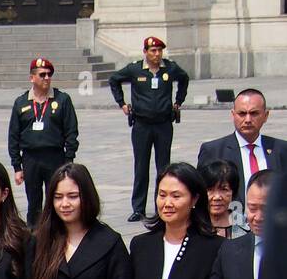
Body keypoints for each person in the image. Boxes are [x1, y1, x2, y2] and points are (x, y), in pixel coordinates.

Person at [109, 37, 189, 223]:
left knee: (164, 167)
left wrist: (178, 101)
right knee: (141, 166)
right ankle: (138, 208)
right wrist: (121, 103)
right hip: (141, 125)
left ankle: (161, 206)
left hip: (163, 124)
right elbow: (114, 80)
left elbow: (184, 78)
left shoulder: (169, 68)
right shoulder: (135, 69)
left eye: (159, 50)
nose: (156, 54)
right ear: (145, 52)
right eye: (153, 51)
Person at [8, 58, 79, 223]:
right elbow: (13, 136)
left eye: (49, 74)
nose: (46, 78)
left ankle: (57, 232)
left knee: (56, 197)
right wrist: (17, 166)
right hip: (30, 158)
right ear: (32, 78)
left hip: (55, 157)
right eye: (42, 75)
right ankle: (34, 232)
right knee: (33, 201)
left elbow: (71, 131)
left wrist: (69, 160)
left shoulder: (62, 100)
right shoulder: (21, 102)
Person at [198, 89, 279, 201]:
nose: (248, 120)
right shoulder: (213, 150)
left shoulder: (281, 149)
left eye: (254, 113)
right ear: (233, 115)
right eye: (242, 114)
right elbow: (201, 194)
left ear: (266, 115)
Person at [202, 159, 247, 241]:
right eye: (210, 189)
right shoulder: (191, 226)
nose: (217, 197)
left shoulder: (245, 228)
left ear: (233, 192)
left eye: (224, 189)